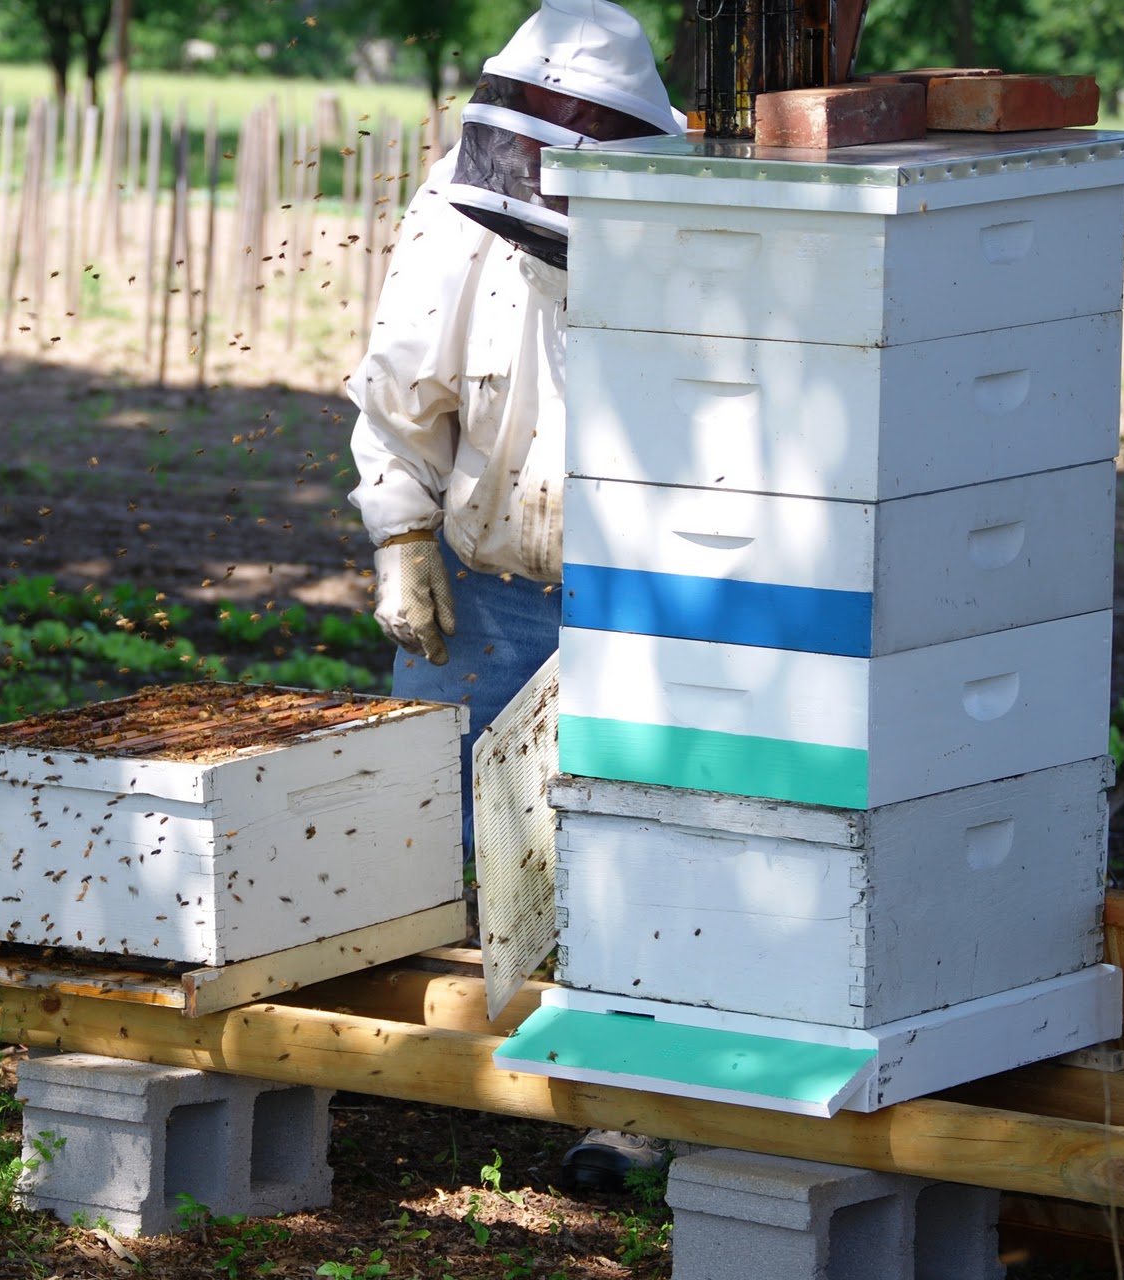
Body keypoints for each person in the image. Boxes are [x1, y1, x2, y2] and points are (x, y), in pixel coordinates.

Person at [345, 0, 684, 1195]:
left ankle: (628, 1104)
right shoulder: (457, 214)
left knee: (624, 850)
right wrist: (399, 537)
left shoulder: (696, 232)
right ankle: (394, 1059)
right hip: (485, 586)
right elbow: (396, 385)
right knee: (413, 833)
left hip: (639, 595)